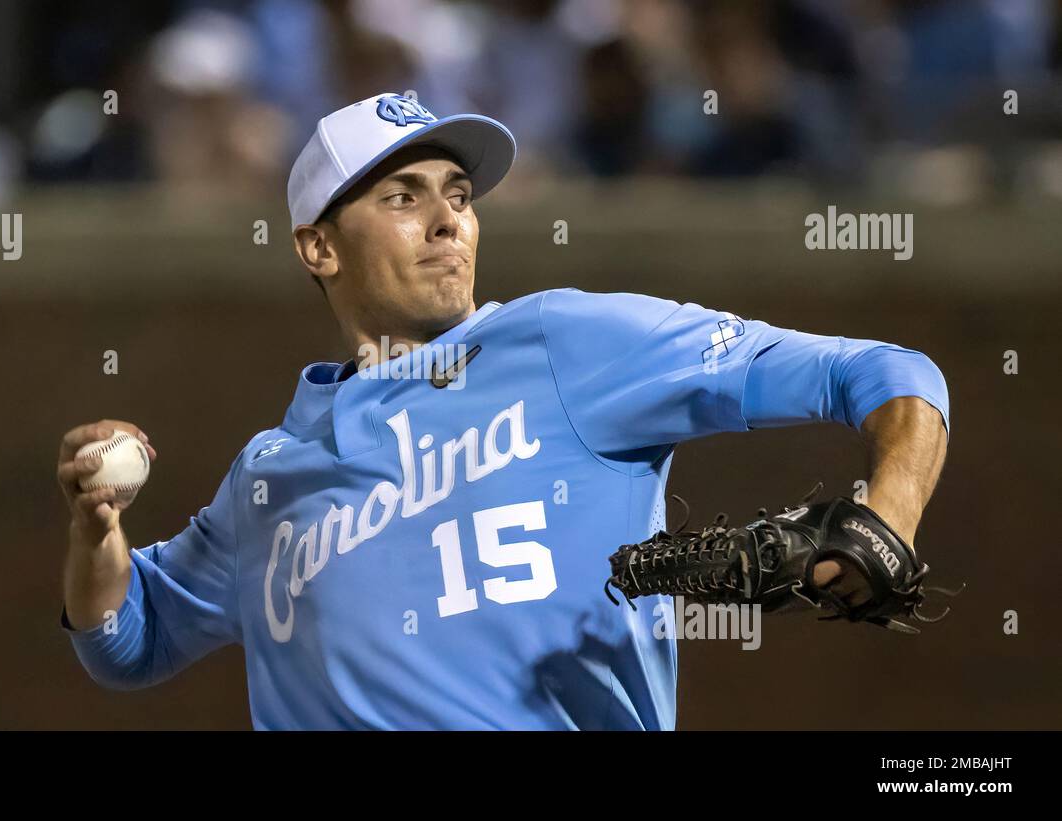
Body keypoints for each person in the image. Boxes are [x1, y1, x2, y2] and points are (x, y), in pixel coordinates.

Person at [58, 93, 949, 730]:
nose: (447, 219)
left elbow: (883, 371)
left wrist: (890, 513)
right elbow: (129, 640)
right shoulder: (268, 476)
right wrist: (97, 528)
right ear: (318, 245)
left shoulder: (569, 343)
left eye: (457, 192)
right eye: (403, 197)